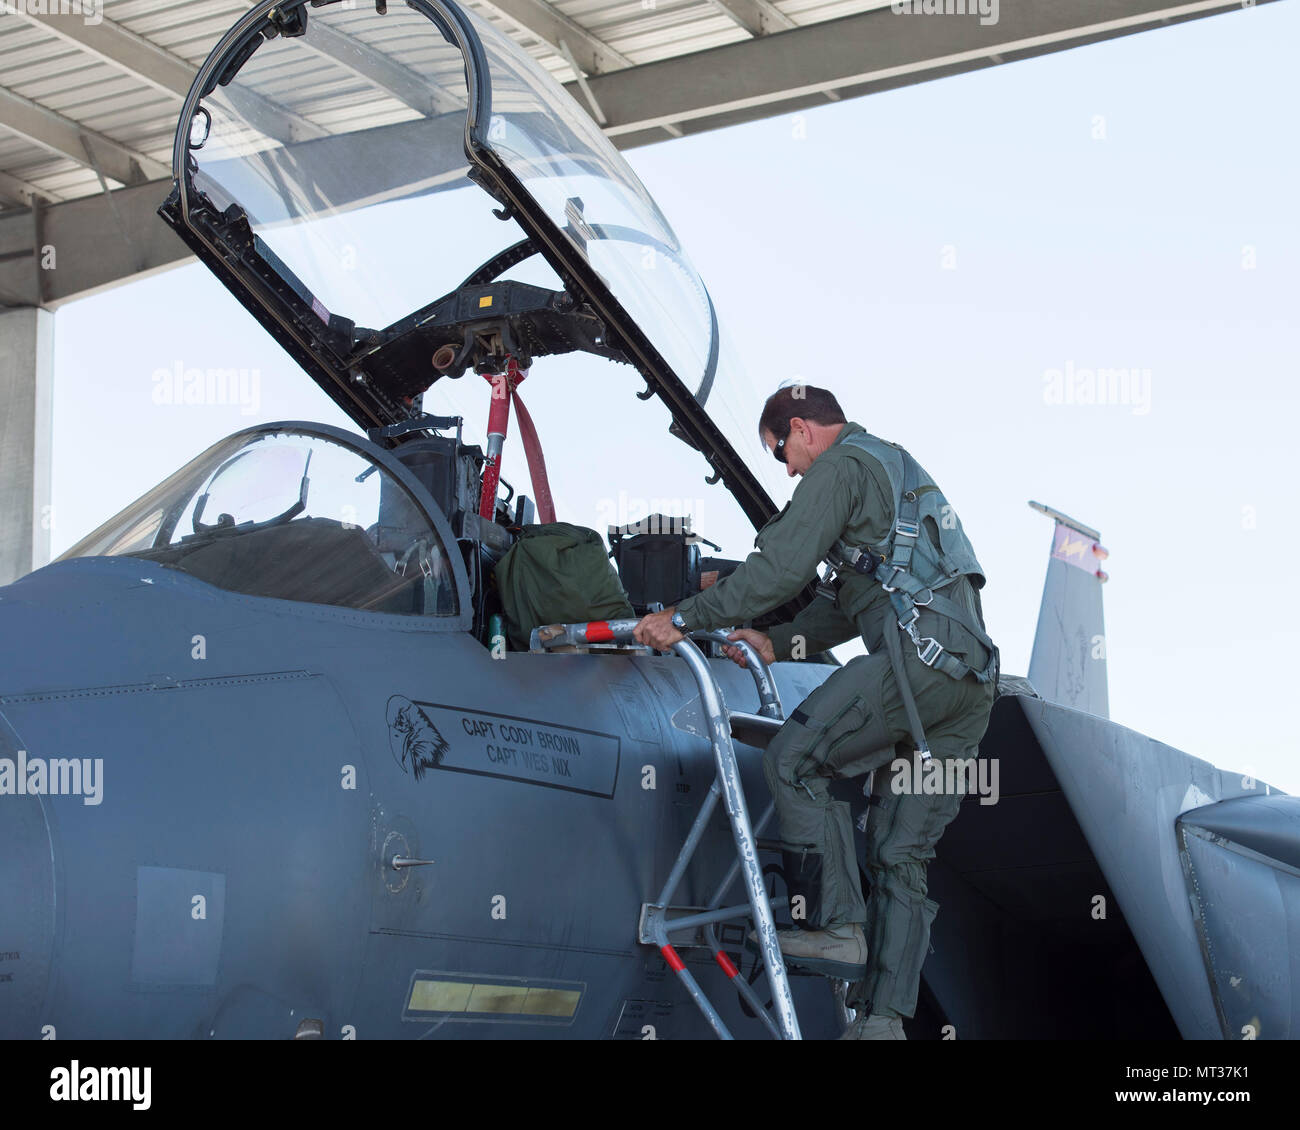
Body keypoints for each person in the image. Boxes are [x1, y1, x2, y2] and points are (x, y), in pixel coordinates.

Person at [633, 385, 997, 1040]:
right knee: (899, 854)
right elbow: (850, 600)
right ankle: (883, 1025)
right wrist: (778, 642)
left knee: (793, 761)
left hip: (917, 664)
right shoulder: (890, 468)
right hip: (966, 685)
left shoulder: (839, 469)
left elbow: (779, 569)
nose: (791, 472)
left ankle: (837, 929)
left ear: (800, 429)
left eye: (782, 456)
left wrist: (682, 618)